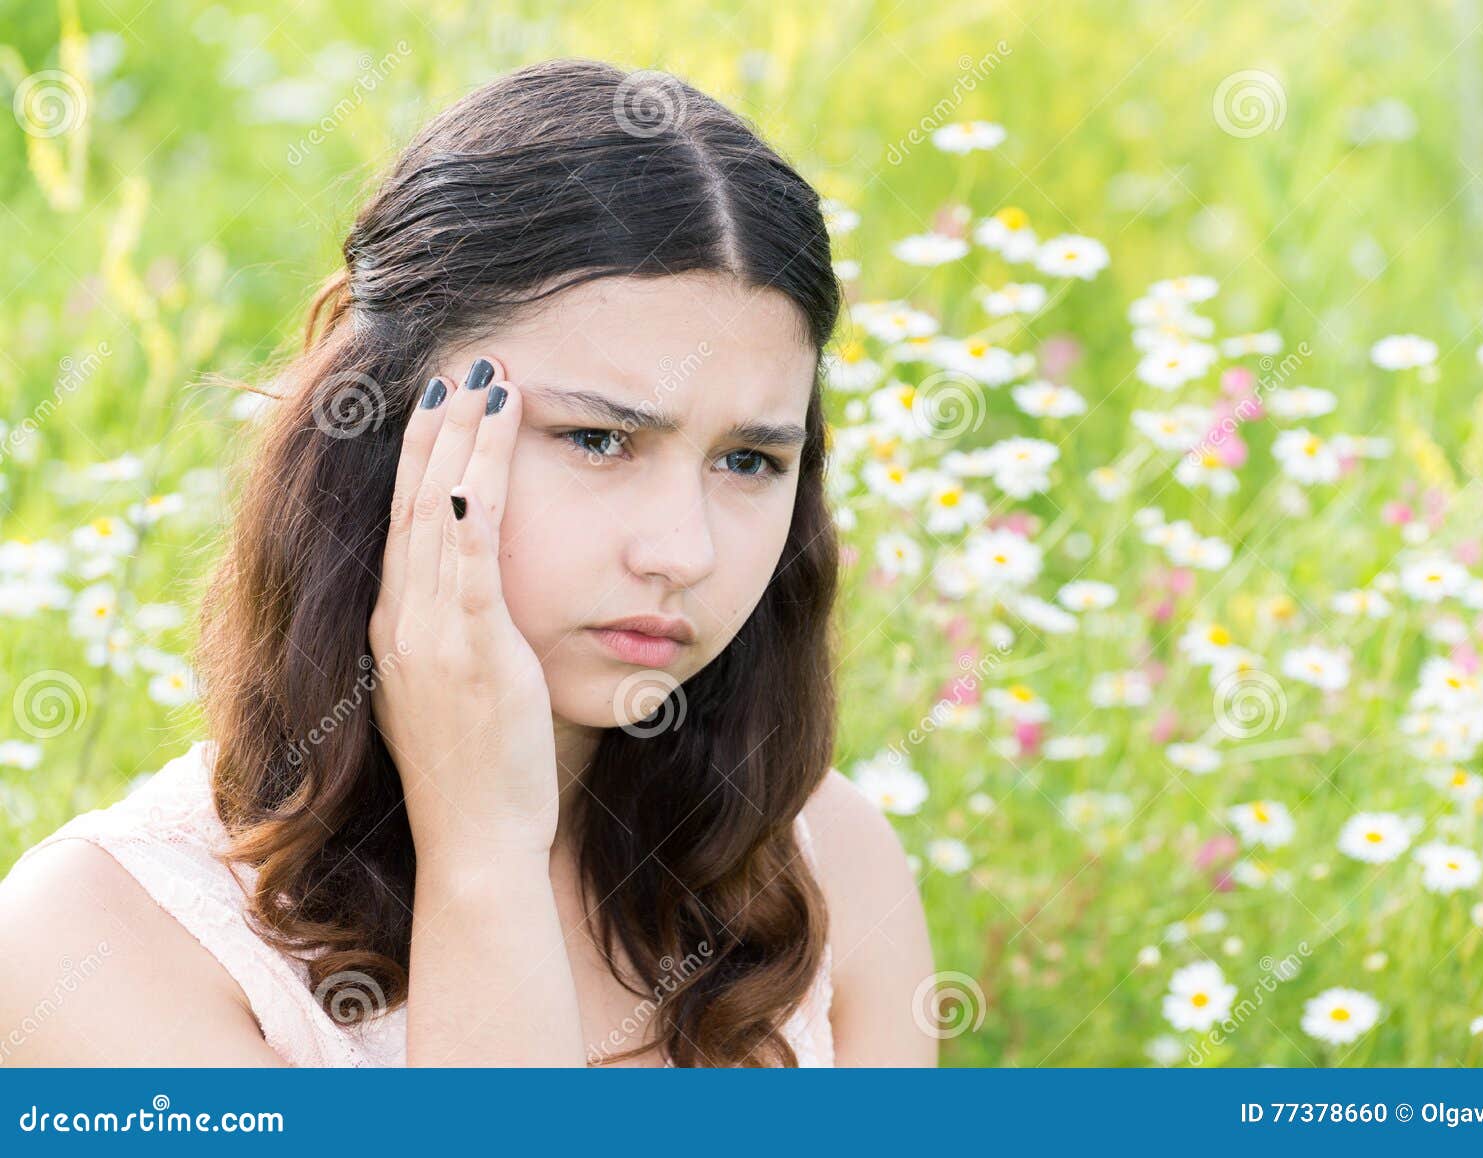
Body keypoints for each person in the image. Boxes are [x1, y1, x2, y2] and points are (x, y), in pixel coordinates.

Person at [0, 58, 936, 1067]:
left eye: (749, 460)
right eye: (597, 439)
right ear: (391, 431)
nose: (684, 550)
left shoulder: (823, 867)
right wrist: (482, 858)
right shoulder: (98, 939)